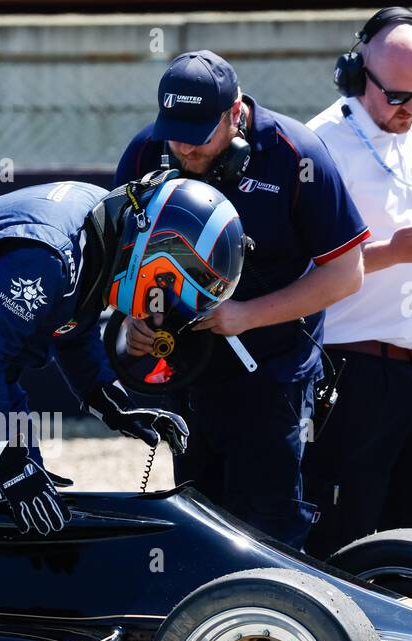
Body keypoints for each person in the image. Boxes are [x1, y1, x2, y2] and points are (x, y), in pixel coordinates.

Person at [0, 172, 249, 536]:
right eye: (174, 295)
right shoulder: (48, 257)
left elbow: (71, 327)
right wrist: (10, 463)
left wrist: (112, 403)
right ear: (162, 254)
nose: (162, 314)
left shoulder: (106, 226)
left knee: (30, 500)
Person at [115, 51, 369, 551]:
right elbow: (118, 256)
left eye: (200, 132)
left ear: (236, 113)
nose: (184, 146)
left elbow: (346, 275)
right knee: (198, 528)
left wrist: (246, 316)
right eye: (175, 130)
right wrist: (133, 317)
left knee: (269, 532)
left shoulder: (298, 154)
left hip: (273, 375)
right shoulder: (147, 152)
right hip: (188, 374)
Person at [302, 7, 412, 558]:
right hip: (352, 373)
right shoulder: (319, 147)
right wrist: (395, 254)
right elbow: (301, 274)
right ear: (356, 77)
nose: (410, 109)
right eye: (397, 97)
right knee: (346, 534)